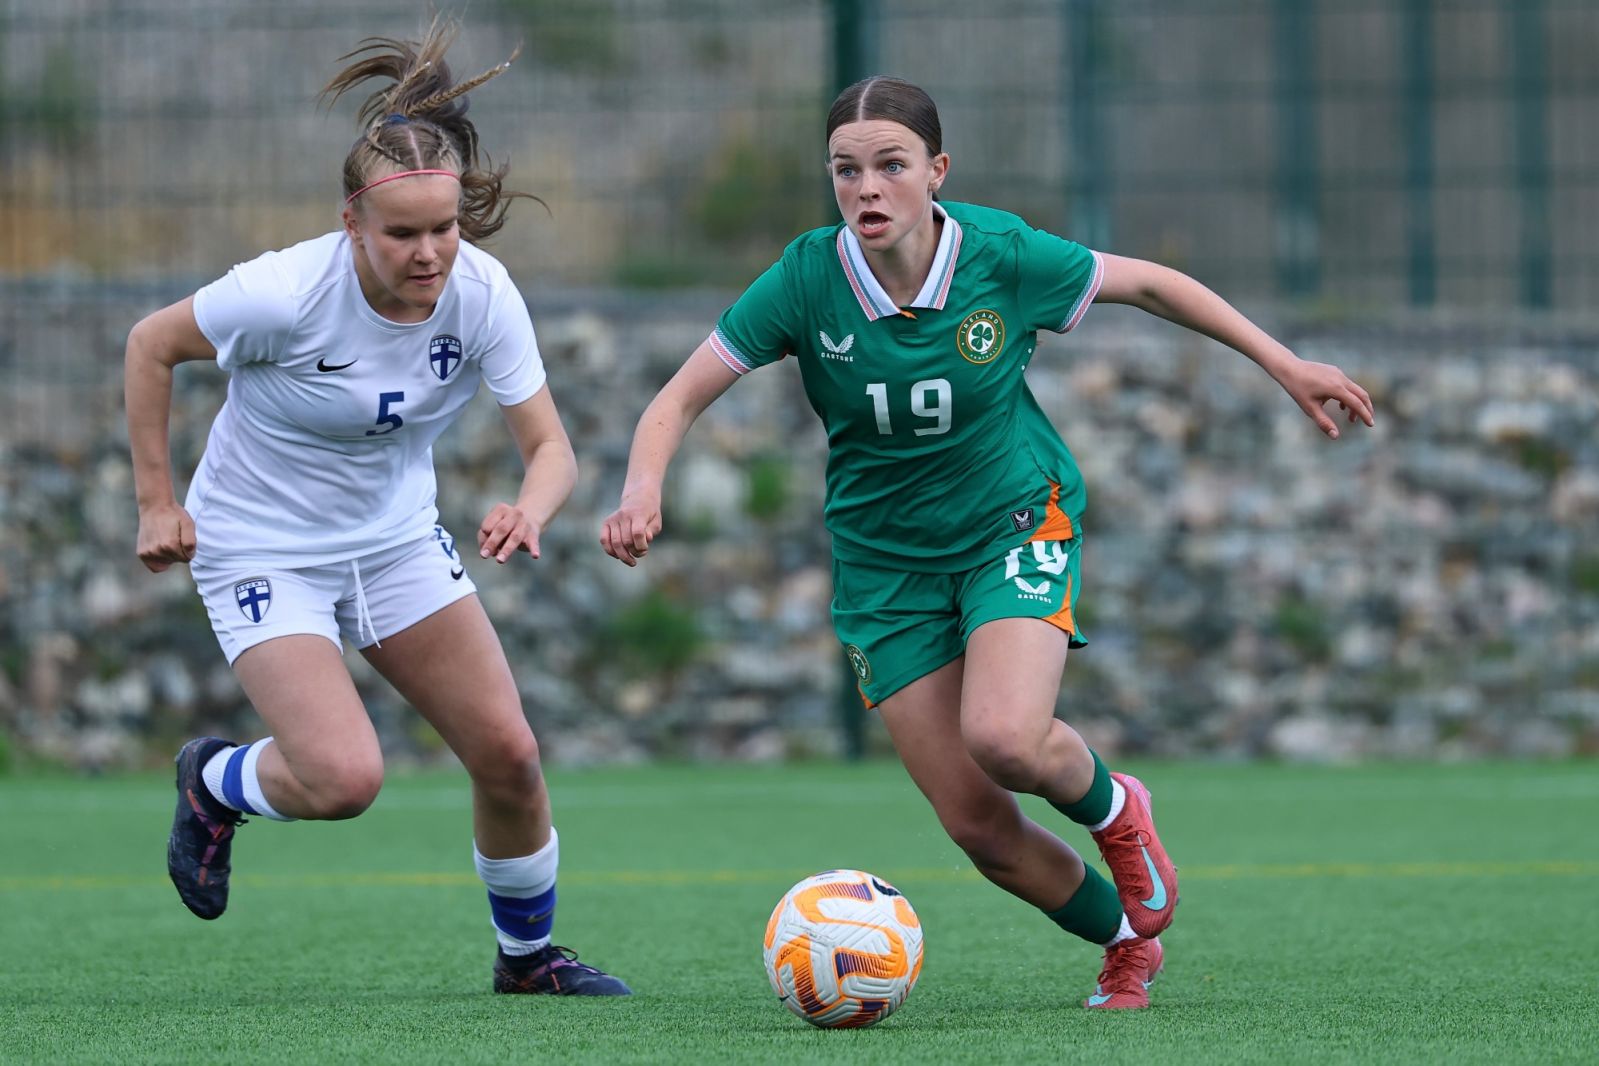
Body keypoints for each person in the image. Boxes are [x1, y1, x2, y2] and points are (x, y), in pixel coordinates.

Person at [601, 76, 1374, 1010]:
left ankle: (1117, 811)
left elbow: (1150, 284)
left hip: (1011, 522)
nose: (867, 189)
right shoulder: (807, 278)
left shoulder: (999, 256)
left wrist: (1284, 363)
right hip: (884, 571)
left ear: (937, 170)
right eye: (846, 170)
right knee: (977, 825)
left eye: (891, 166)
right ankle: (1126, 943)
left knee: (1005, 739)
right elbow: (677, 398)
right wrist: (641, 487)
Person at [126, 16, 629, 997]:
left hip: (395, 544)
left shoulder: (482, 295)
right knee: (343, 779)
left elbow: (551, 450)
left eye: (444, 228)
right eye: (403, 234)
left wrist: (530, 508)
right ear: (352, 222)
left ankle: (527, 959)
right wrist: (155, 500)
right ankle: (213, 780)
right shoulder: (281, 295)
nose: (430, 253)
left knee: (511, 755)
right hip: (263, 548)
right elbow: (150, 345)